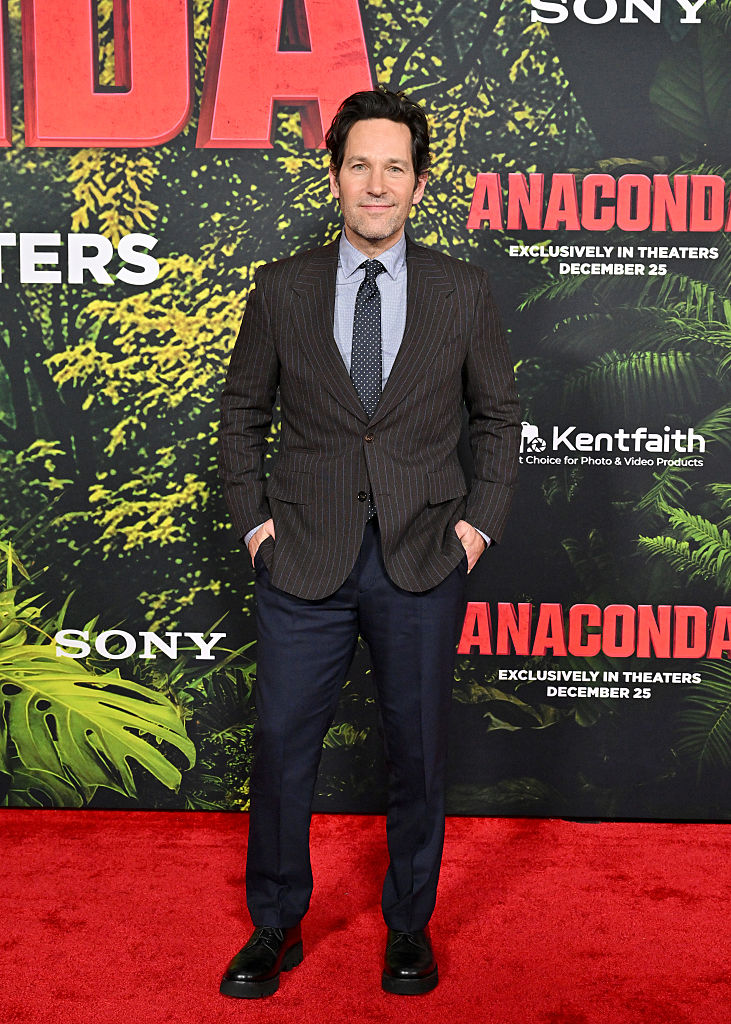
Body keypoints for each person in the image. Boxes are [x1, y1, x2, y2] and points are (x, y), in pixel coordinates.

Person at [218, 88, 520, 998]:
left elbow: (498, 417)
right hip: (301, 556)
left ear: (419, 185)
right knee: (280, 747)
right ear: (336, 174)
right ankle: (274, 927)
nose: (375, 183)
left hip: (422, 556)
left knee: (418, 752)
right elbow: (242, 413)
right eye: (359, 164)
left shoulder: (461, 290)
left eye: (394, 167)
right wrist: (254, 525)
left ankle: (409, 928)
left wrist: (477, 527)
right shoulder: (281, 286)